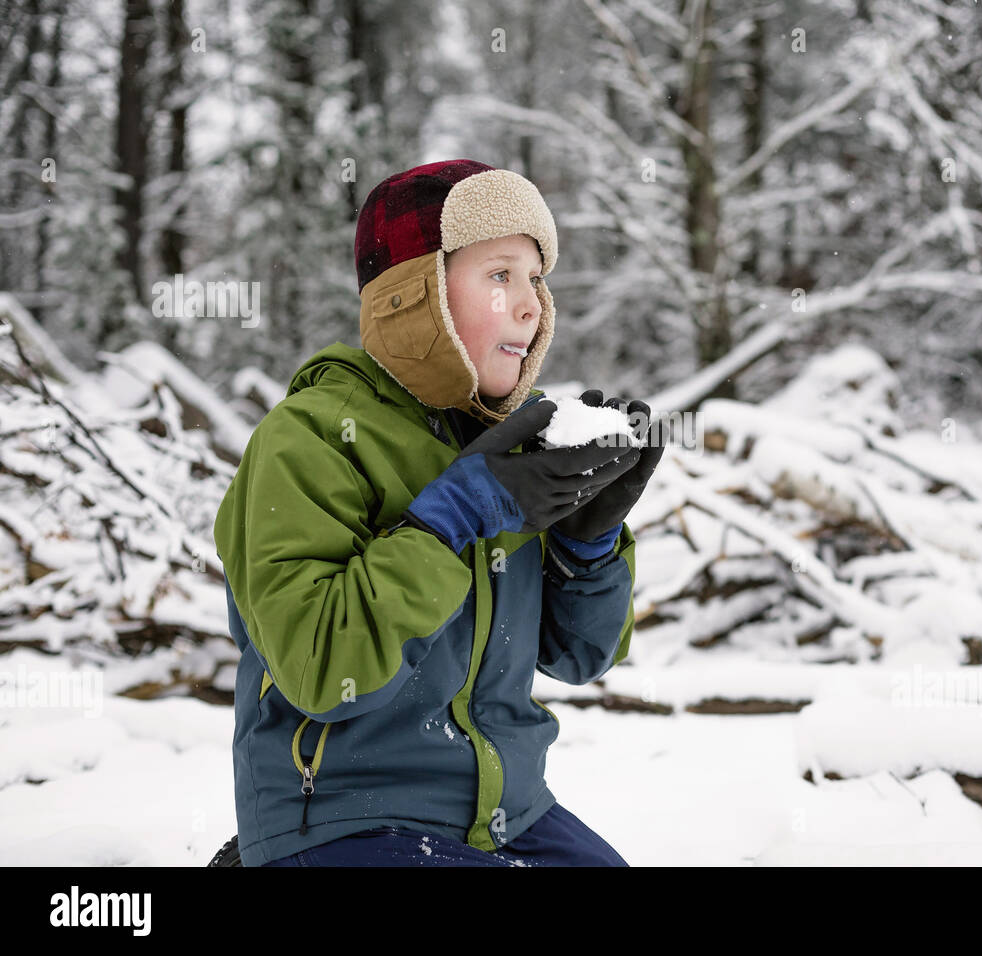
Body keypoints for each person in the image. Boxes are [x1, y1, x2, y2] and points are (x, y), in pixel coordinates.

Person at [212, 158, 663, 866]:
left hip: (512, 815)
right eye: (500, 274)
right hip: (343, 820)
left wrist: (589, 544)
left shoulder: (502, 450)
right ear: (412, 295)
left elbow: (581, 655)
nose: (531, 305)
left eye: (537, 279)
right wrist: (447, 519)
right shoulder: (309, 437)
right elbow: (323, 667)